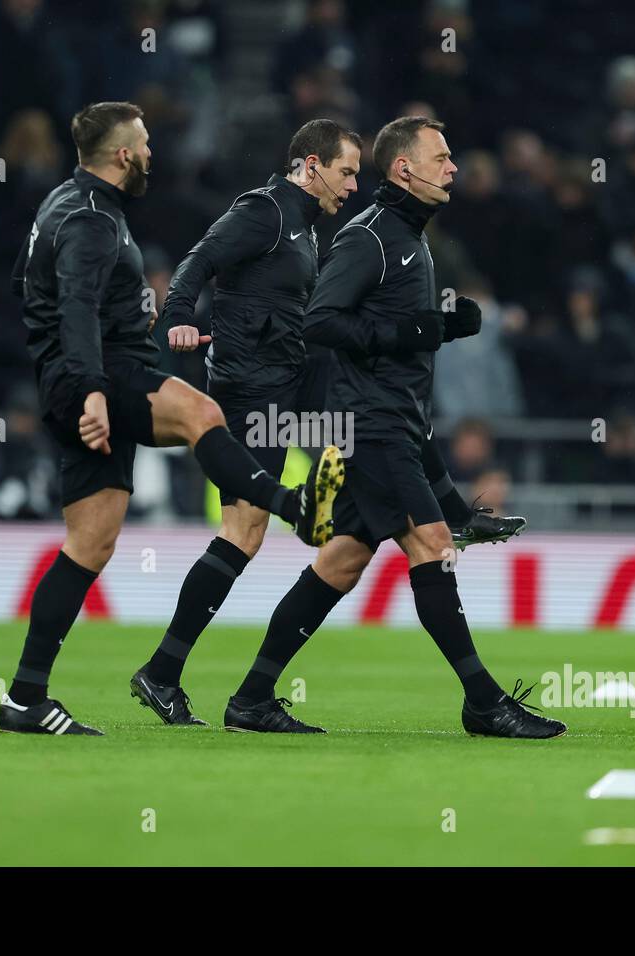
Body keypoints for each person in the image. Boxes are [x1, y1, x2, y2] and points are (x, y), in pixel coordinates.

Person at [0, 102, 344, 737]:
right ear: (124, 154)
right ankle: (291, 503)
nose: (153, 153)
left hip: (81, 375)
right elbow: (73, 305)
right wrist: (91, 389)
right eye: (146, 144)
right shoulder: (93, 219)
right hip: (101, 375)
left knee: (91, 542)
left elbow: (28, 286)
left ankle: (24, 697)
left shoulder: (68, 206)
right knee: (199, 412)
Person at [221, 116, 565, 739]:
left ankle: (251, 698)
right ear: (404, 168)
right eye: (442, 156)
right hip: (368, 426)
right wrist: (419, 330)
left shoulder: (408, 239)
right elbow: (320, 321)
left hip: (389, 424)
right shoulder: (371, 237)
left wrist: (439, 324)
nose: (453, 167)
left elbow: (391, 345)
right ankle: (483, 703)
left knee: (342, 562)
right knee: (431, 547)